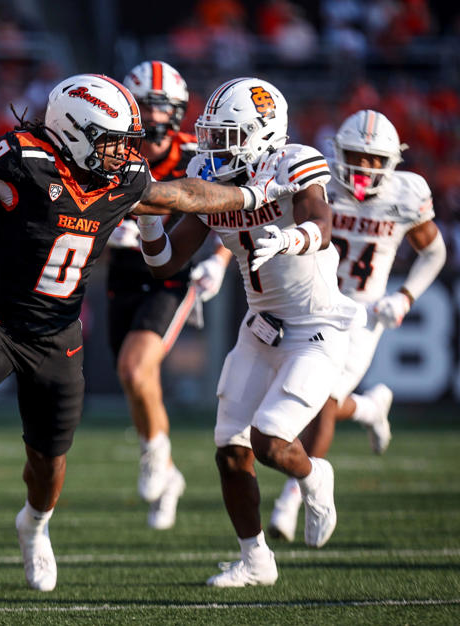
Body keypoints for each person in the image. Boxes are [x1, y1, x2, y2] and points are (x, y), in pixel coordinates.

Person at [0, 73, 295, 592]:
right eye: (111, 141)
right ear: (74, 131)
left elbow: (182, 194)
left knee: (47, 465)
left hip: (58, 335)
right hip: (1, 320)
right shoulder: (20, 161)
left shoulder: (123, 177)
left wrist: (254, 194)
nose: (124, 152)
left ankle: (34, 526)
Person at [138, 76, 366, 587]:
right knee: (229, 448)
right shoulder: (207, 173)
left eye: (226, 135)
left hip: (316, 327)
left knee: (269, 441)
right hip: (260, 326)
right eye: (210, 134)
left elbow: (322, 222)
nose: (211, 147)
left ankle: (314, 473)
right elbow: (167, 261)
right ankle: (255, 559)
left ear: (262, 134)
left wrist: (287, 240)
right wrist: (150, 221)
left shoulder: (294, 162)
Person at [267, 109, 446, 542]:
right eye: (355, 156)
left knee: (323, 401)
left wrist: (404, 296)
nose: (364, 167)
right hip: (311, 302)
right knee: (313, 398)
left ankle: (293, 497)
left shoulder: (405, 195)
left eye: (373, 159)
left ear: (391, 162)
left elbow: (434, 252)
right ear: (338, 152)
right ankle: (369, 408)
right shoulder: (317, 185)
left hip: (361, 314)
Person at [107, 60, 232, 530]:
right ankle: (168, 468)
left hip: (172, 276)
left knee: (135, 367)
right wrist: (104, 235)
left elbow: (229, 211)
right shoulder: (110, 151)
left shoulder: (197, 156)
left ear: (180, 112)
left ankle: (156, 457)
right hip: (123, 271)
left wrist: (218, 263)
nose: (156, 117)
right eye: (147, 106)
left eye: (165, 107)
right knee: (137, 380)